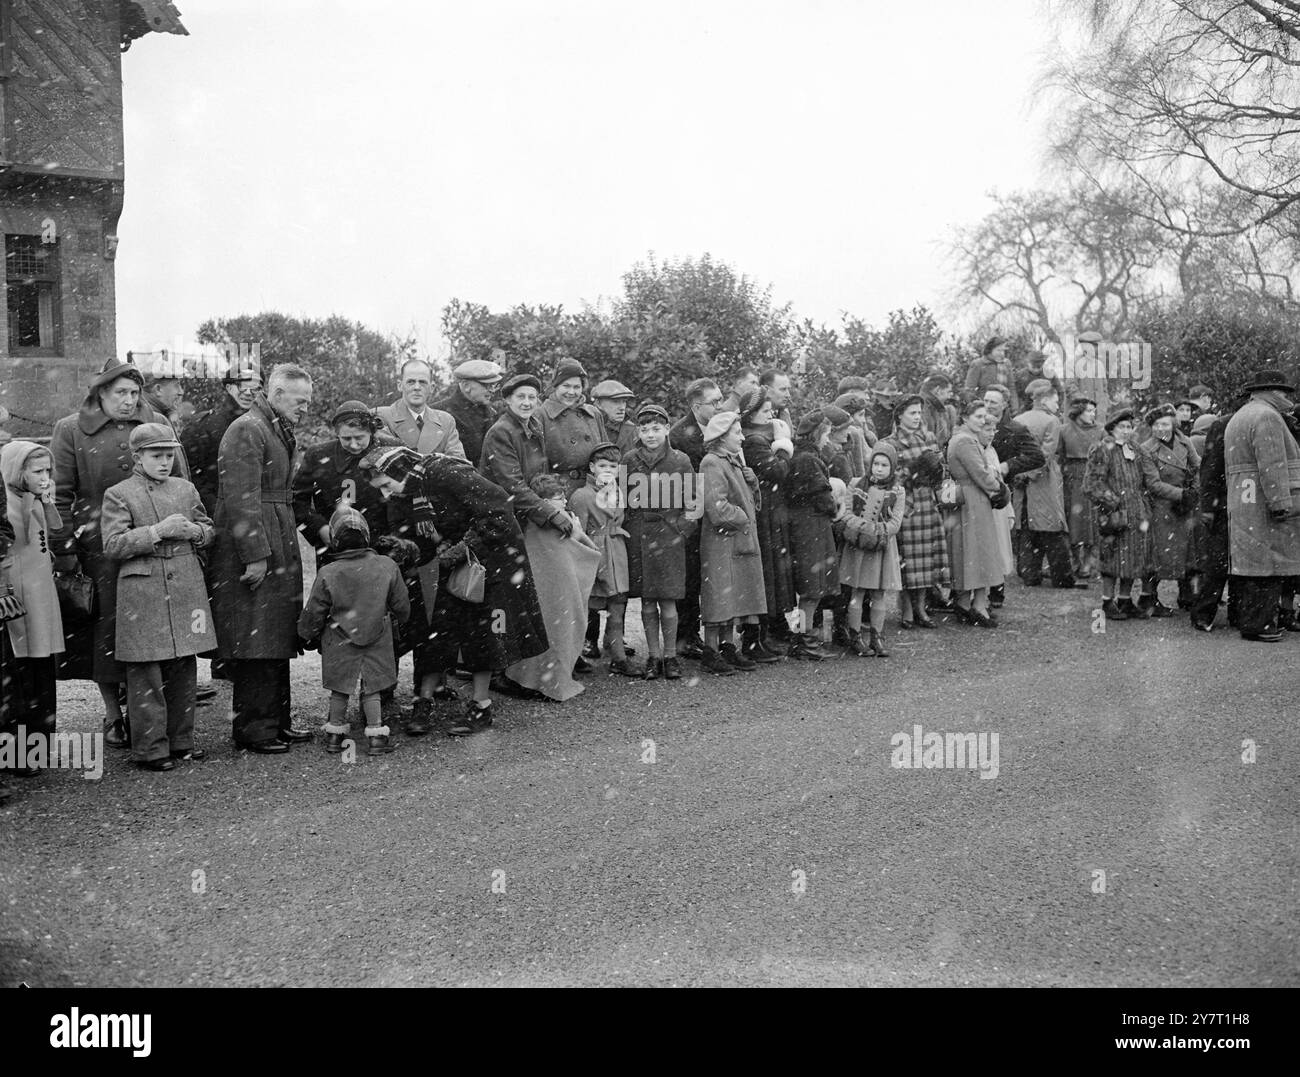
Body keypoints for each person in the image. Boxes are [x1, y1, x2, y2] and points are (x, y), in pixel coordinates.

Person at [361, 445, 549, 733]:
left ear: (398, 471)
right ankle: (422, 702)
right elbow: (410, 530)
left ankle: (480, 707)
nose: (386, 494)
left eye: (386, 485)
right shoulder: (410, 487)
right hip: (450, 559)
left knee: (482, 634)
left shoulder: (446, 472)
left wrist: (458, 550)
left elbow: (499, 509)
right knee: (433, 629)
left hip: (490, 560)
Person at [49, 356, 183, 748]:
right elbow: (58, 495)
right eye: (120, 393)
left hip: (155, 541)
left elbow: (180, 480)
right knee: (107, 635)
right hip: (100, 549)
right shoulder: (71, 430)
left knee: (152, 629)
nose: (128, 401)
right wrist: (64, 549)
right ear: (101, 394)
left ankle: (154, 715)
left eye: (134, 393)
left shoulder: (155, 427)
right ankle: (112, 713)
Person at [210, 363, 315, 753]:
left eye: (307, 401)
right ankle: (255, 729)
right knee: (256, 637)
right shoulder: (247, 430)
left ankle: (277, 721)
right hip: (261, 539)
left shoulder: (271, 428)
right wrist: (254, 555)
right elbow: (240, 497)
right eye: (299, 400)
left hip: (278, 532)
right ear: (275, 394)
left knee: (276, 633)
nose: (304, 408)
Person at [101, 423, 216, 771]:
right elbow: (112, 545)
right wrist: (156, 532)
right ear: (137, 457)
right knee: (145, 670)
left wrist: (196, 532)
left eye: (169, 455)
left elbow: (209, 529)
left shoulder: (185, 488)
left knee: (183, 665)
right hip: (143, 588)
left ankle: (181, 742)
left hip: (184, 582)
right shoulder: (119, 493)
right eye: (156, 455)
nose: (165, 462)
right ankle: (150, 748)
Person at [299, 506, 410, 756]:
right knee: (372, 688)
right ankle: (376, 737)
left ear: (336, 541)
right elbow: (402, 604)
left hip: (339, 637)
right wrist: (401, 620)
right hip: (377, 635)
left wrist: (307, 633)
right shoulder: (387, 566)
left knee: (340, 688)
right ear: (367, 536)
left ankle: (335, 737)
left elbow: (315, 609)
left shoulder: (329, 572)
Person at [503, 474, 600, 699]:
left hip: (542, 587)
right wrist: (577, 529)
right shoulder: (560, 520)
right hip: (559, 588)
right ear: (544, 501)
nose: (564, 502)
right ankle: (553, 682)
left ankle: (528, 679)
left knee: (542, 629)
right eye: (558, 497)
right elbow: (589, 550)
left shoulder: (531, 521)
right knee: (561, 630)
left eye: (564, 497)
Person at [1223, 370, 1300, 642]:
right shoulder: (1267, 417)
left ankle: (1251, 620)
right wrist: (1281, 503)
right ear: (1270, 392)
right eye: (1283, 392)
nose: (1287, 398)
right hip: (1264, 500)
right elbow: (1273, 464)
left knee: (1252, 562)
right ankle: (1261, 624)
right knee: (1268, 565)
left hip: (1245, 498)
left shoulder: (1242, 415)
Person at [1, 441, 61, 786]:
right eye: (37, 471)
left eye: (47, 471)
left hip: (39, 592)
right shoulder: (10, 503)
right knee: (21, 671)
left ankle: (37, 744)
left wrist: (44, 497)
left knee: (40, 666)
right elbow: (15, 539)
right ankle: (19, 751)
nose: (44, 477)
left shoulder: (34, 498)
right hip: (19, 593)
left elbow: (53, 527)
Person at [623, 403, 697, 680]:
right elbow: (620, 497)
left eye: (656, 429)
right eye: (644, 430)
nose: (650, 435)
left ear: (667, 429)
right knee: (645, 601)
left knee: (668, 600)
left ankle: (671, 657)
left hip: (669, 537)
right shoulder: (629, 460)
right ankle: (653, 657)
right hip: (639, 535)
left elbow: (693, 501)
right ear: (638, 432)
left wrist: (683, 529)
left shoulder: (680, 460)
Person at [697, 412, 767, 674]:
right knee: (719, 597)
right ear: (721, 437)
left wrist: (753, 485)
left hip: (734, 541)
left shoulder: (733, 462)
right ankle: (711, 651)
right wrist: (744, 516)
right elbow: (717, 509)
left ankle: (726, 648)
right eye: (736, 432)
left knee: (731, 596)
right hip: (722, 542)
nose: (742, 436)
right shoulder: (712, 463)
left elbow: (746, 501)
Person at [567, 442, 638, 675]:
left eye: (613, 466)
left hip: (617, 551)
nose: (608, 470)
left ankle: (617, 656)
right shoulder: (582, 495)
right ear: (592, 468)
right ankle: (572, 655)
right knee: (583, 607)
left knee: (618, 604)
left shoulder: (618, 491)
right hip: (594, 554)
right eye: (602, 465)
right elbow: (577, 535)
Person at [292, 401, 388, 570]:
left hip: (383, 546)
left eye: (359, 437)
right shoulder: (318, 455)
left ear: (371, 432)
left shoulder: (390, 450)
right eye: (346, 438)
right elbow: (297, 499)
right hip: (335, 548)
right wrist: (319, 527)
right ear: (336, 434)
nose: (353, 444)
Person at [670, 378, 724, 659]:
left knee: (711, 574)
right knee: (690, 577)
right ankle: (686, 636)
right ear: (695, 405)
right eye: (714, 402)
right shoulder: (679, 435)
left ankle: (707, 634)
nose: (720, 406)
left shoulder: (722, 426)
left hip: (715, 511)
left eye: (721, 400)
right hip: (692, 513)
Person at [785, 408, 846, 658]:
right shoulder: (808, 459)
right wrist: (836, 507)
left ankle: (803, 636)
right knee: (812, 588)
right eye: (826, 434)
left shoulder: (802, 456)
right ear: (817, 433)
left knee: (810, 587)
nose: (827, 440)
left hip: (808, 525)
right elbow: (823, 498)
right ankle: (804, 640)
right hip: (811, 527)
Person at [740, 389, 796, 658]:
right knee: (766, 573)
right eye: (764, 411)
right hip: (765, 514)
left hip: (771, 512)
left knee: (771, 572)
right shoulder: (754, 442)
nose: (770, 416)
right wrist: (784, 446)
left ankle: (768, 631)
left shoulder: (758, 439)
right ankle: (758, 637)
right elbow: (778, 471)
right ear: (751, 414)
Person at [884, 395, 948, 629]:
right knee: (909, 561)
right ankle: (907, 610)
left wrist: (934, 470)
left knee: (926, 561)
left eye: (919, 413)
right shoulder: (890, 443)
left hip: (927, 503)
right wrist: (912, 471)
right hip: (907, 506)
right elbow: (889, 479)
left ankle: (921, 608)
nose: (917, 417)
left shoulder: (927, 438)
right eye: (912, 413)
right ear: (899, 415)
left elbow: (938, 471)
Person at [1084, 408, 1155, 620]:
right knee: (1112, 557)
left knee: (1134, 559)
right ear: (1112, 428)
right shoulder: (1102, 448)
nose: (1126, 431)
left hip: (1137, 513)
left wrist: (1143, 504)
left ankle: (1125, 601)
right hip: (1113, 514)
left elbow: (1144, 479)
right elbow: (1092, 484)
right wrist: (1113, 502)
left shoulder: (1135, 448)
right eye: (1122, 427)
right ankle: (1107, 602)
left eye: (1129, 427)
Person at [1015, 380, 1087, 589]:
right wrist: (1031, 473)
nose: (1058, 406)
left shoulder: (1018, 419)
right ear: (1045, 401)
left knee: (1027, 527)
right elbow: (1045, 455)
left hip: (1021, 481)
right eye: (1056, 401)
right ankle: (1062, 576)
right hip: (1044, 480)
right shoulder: (1051, 421)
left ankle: (1030, 573)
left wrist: (1019, 473)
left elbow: (1014, 452)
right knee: (1053, 528)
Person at [835, 443, 905, 656]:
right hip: (857, 547)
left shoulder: (898, 491)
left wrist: (877, 531)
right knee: (857, 592)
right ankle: (855, 637)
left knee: (879, 594)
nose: (879, 468)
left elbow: (896, 523)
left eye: (884, 464)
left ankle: (877, 637)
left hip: (882, 547)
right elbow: (846, 514)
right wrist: (865, 529)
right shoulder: (856, 484)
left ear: (892, 467)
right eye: (876, 463)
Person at [981, 385, 1046, 606]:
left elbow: (1037, 457)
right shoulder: (975, 423)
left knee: (998, 540)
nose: (988, 405)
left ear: (1004, 405)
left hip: (1000, 492)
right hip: (977, 488)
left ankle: (997, 591)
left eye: (993, 402)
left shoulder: (1015, 429)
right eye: (986, 400)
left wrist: (1009, 465)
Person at [946, 401, 1008, 627]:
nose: (983, 421)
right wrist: (1000, 488)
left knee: (966, 551)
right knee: (980, 551)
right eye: (978, 416)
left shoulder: (960, 439)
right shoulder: (965, 441)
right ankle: (978, 606)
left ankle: (963, 603)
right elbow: (980, 474)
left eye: (984, 417)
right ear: (965, 418)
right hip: (973, 499)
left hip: (966, 499)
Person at [1139, 403, 1201, 616]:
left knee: (1189, 552)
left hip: (1185, 507)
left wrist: (1194, 490)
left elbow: (1196, 468)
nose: (1160, 429)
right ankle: (1149, 598)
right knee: (1158, 555)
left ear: (1174, 423)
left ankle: (1187, 595)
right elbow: (1153, 484)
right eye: (1156, 425)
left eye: (1165, 424)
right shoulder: (1147, 449)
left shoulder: (1185, 442)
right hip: (1162, 507)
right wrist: (1181, 494)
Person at [182, 362, 261, 516]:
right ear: (228, 388)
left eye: (256, 387)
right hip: (219, 517)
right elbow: (190, 475)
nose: (249, 392)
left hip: (256, 515)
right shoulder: (204, 426)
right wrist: (217, 511)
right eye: (242, 386)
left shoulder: (264, 427)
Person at [376, 358, 467, 460]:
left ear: (432, 387)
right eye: (411, 382)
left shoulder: (446, 421)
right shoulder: (381, 417)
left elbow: (459, 463)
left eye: (422, 382)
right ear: (400, 385)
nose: (417, 387)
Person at [1059, 395, 1103, 578]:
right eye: (1089, 410)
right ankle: (1074, 559)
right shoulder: (1064, 430)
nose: (1093, 414)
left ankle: (1088, 562)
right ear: (1078, 411)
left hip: (1093, 476)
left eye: (1094, 410)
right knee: (1073, 521)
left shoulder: (1100, 430)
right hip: (1071, 477)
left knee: (1092, 522)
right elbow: (1059, 455)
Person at [433, 358, 502, 465]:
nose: (492, 391)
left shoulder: (492, 412)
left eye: (493, 385)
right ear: (466, 386)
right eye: (486, 385)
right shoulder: (438, 413)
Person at [965, 336, 1019, 412]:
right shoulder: (978, 364)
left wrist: (1015, 407)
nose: (1002, 354)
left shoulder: (1006, 363)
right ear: (990, 350)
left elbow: (1011, 387)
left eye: (1003, 351)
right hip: (985, 406)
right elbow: (969, 389)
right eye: (998, 350)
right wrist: (974, 408)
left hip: (1003, 406)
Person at [591, 380, 638, 455]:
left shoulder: (631, 429)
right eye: (616, 402)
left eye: (624, 401)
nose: (622, 407)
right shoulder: (590, 427)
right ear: (598, 404)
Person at [919, 374, 959, 453]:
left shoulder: (933, 406)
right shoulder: (924, 407)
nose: (948, 396)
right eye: (948, 392)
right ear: (938, 390)